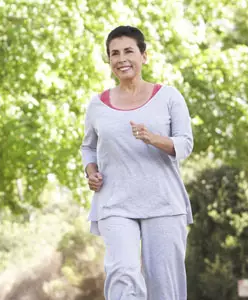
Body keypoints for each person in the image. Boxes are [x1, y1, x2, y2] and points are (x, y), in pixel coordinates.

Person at [80, 25, 194, 300]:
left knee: (165, 286)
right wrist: (91, 171)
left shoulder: (168, 97)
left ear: (144, 56)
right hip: (115, 202)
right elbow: (88, 147)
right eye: (114, 54)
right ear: (109, 61)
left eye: (129, 51)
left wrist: (152, 138)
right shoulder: (98, 104)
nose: (121, 59)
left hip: (164, 203)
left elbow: (185, 144)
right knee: (122, 271)